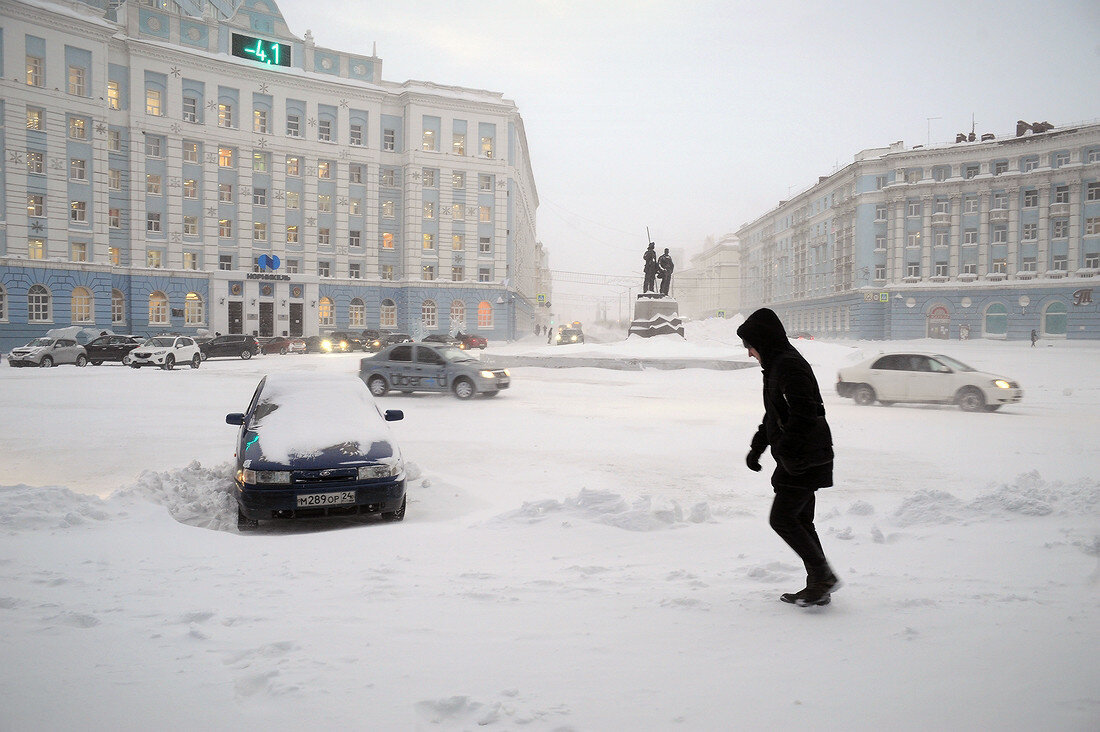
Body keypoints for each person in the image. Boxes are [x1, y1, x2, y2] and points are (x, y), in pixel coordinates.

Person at [737, 308, 840, 607]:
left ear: (762, 342)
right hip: (803, 455)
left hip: (804, 457)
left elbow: (805, 413)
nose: (749, 354)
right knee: (801, 521)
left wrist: (786, 450)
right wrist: (759, 446)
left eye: (750, 347)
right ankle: (818, 584)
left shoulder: (788, 366)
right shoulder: (777, 365)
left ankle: (824, 578)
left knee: (782, 518)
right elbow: (775, 413)